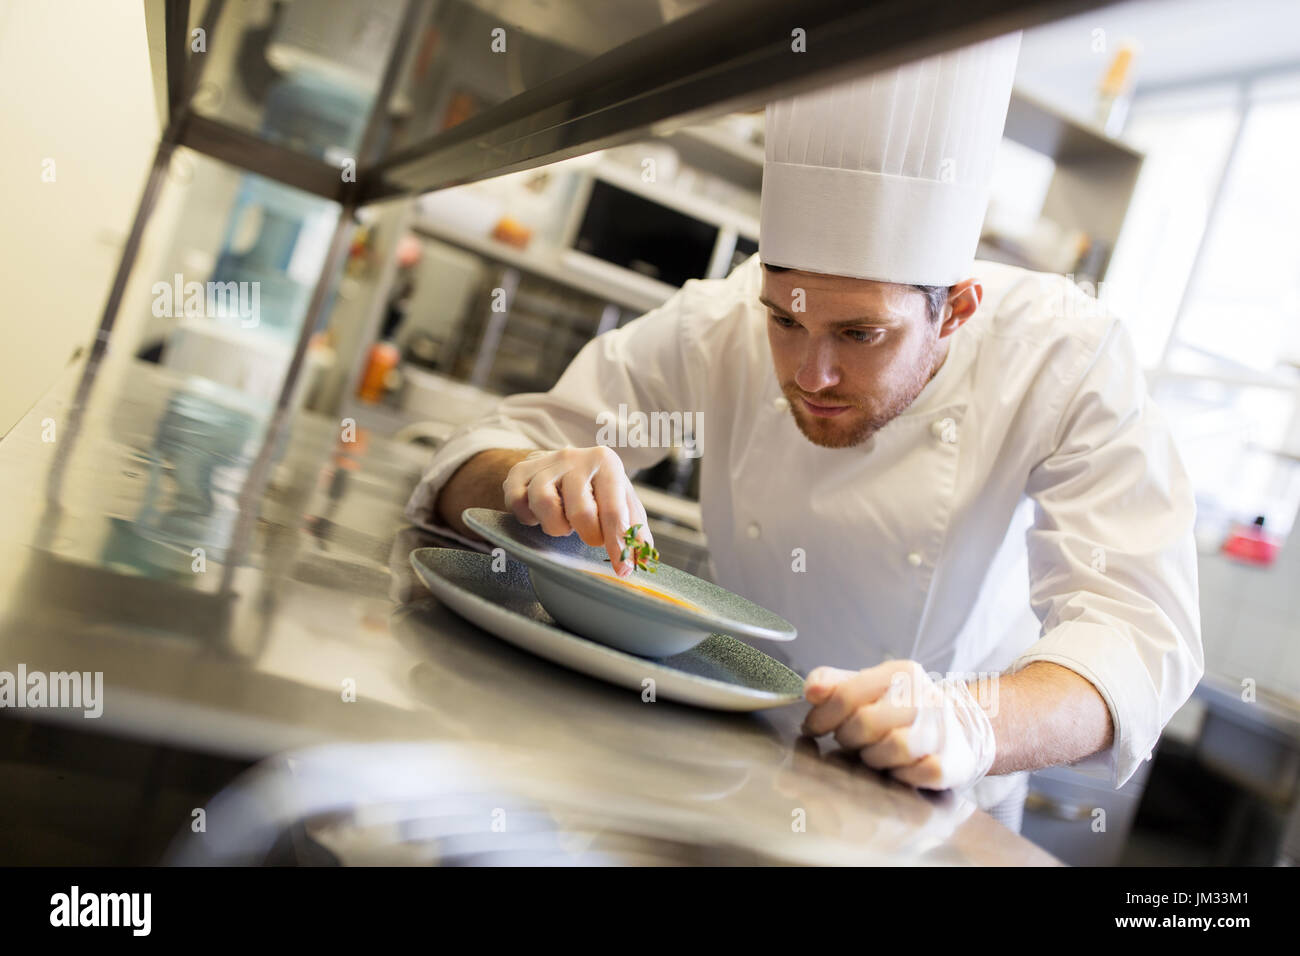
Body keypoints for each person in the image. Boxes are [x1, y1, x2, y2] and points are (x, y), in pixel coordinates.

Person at [404, 33, 1203, 830]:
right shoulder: (716, 322)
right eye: (785, 319)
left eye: (860, 335)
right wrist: (530, 478)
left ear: (954, 309)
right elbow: (470, 463)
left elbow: (1138, 635)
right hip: (714, 754)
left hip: (926, 810)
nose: (810, 373)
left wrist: (971, 721)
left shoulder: (1063, 354)